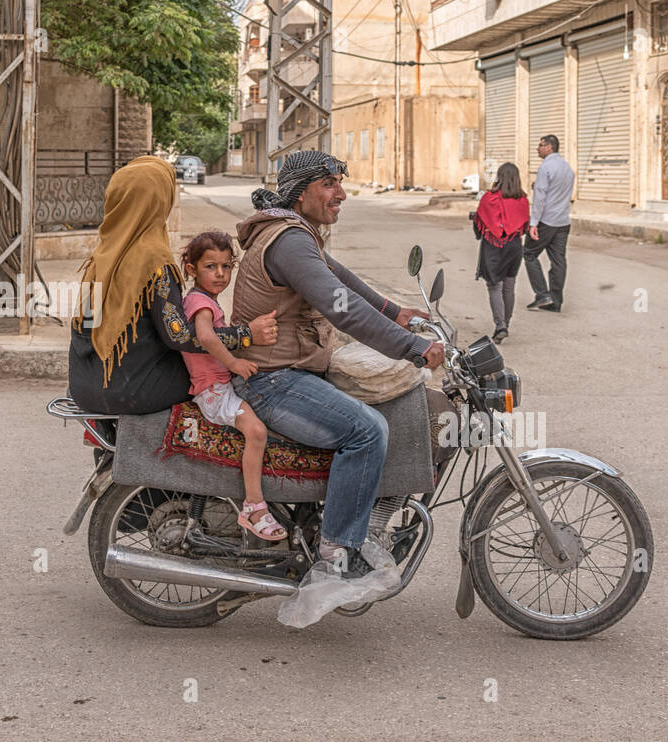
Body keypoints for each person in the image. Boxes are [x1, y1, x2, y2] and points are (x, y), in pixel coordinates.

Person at [229, 150, 443, 579]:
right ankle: (337, 553)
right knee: (366, 431)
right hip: (271, 381)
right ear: (300, 193)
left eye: (339, 184)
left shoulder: (296, 234)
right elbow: (341, 306)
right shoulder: (288, 240)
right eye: (329, 185)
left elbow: (339, 278)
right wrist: (412, 347)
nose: (340, 194)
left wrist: (393, 310)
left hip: (289, 371)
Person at [67, 156, 277, 415]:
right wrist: (245, 335)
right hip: (130, 393)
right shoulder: (155, 262)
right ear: (159, 202)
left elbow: (86, 329)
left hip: (82, 388)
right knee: (209, 371)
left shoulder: (101, 256)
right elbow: (180, 335)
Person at [178, 231, 286, 542]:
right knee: (256, 432)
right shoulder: (200, 303)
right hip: (213, 390)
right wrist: (234, 364)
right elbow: (207, 337)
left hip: (219, 386)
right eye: (210, 267)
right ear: (191, 269)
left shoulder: (204, 300)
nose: (220, 274)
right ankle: (253, 506)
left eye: (226, 267)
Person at [472, 162, 530, 344]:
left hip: (493, 246)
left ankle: (500, 325)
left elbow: (479, 223)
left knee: (494, 286)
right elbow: (524, 226)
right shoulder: (522, 200)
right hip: (514, 246)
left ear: (499, 177)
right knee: (509, 286)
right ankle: (506, 323)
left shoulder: (489, 198)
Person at [523, 134, 574, 313]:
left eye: (541, 145)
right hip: (563, 221)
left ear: (549, 147)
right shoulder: (567, 167)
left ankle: (542, 294)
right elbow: (558, 192)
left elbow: (540, 198)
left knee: (529, 253)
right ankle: (556, 301)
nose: (538, 148)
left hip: (546, 220)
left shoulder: (546, 167)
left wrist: (533, 223)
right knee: (558, 260)